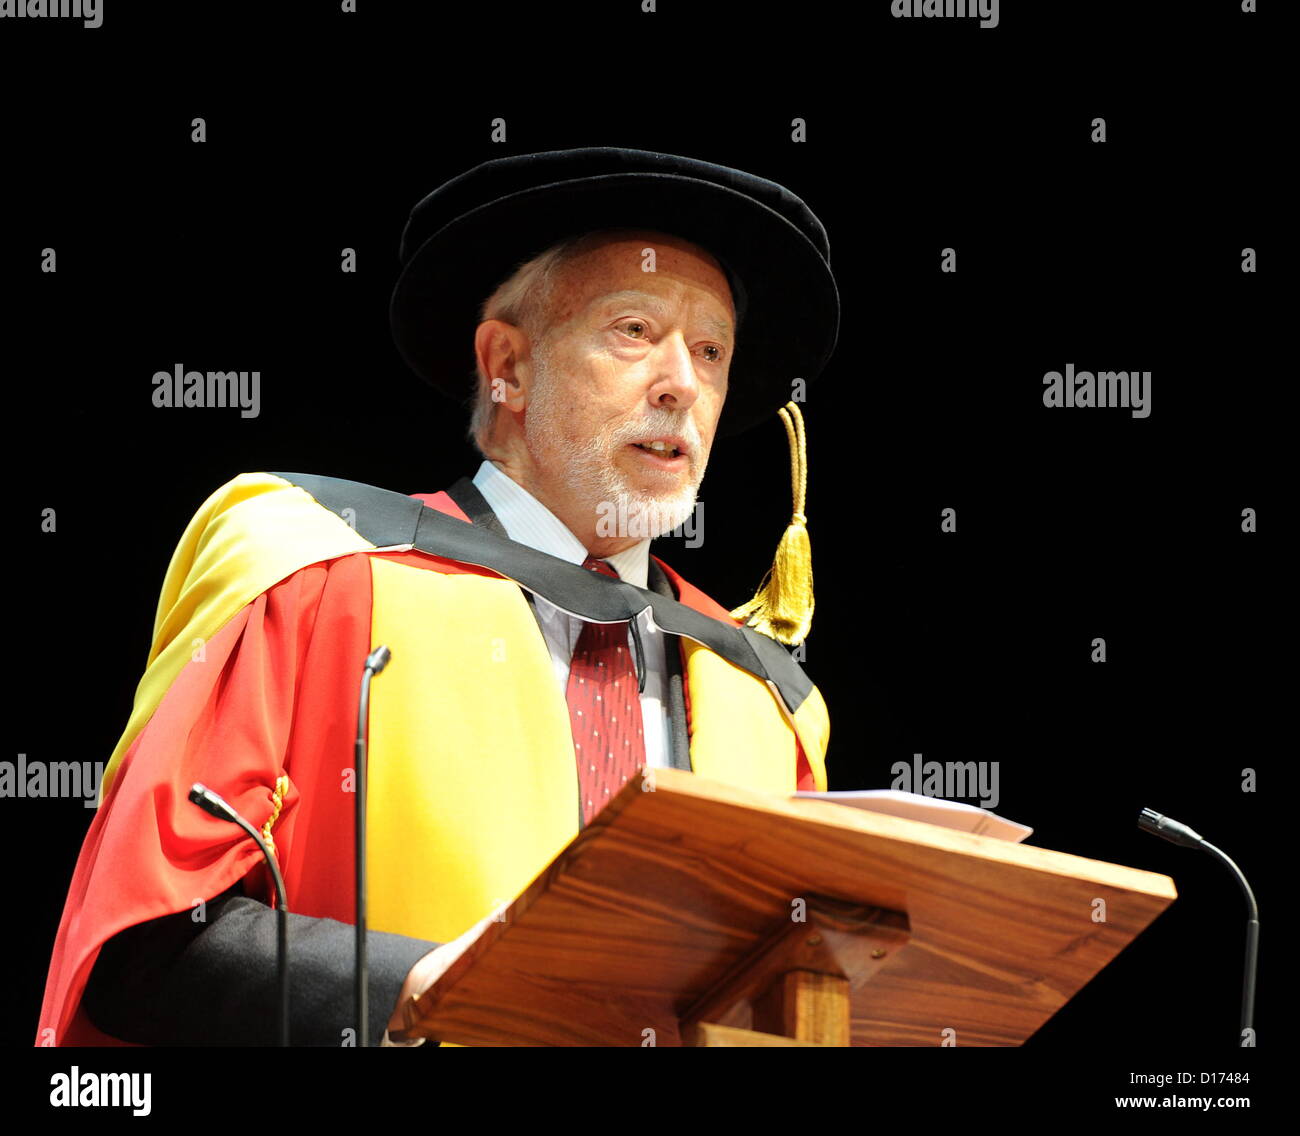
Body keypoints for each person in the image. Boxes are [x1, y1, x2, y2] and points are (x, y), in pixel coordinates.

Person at [35, 147, 840, 1047]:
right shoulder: (317, 573)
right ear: (507, 366)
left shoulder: (762, 695)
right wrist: (412, 986)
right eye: (633, 330)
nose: (682, 384)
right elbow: (145, 949)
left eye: (710, 350)